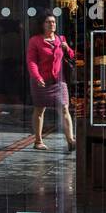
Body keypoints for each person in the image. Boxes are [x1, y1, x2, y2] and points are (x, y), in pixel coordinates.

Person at [25, 14, 76, 151]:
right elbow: (31, 61)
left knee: (64, 108)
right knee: (40, 109)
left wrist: (67, 49)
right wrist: (37, 77)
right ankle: (38, 141)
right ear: (42, 24)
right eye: (48, 22)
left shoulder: (60, 39)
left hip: (59, 81)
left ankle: (70, 139)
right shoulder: (35, 41)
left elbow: (72, 56)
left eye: (53, 22)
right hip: (41, 81)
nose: (52, 24)